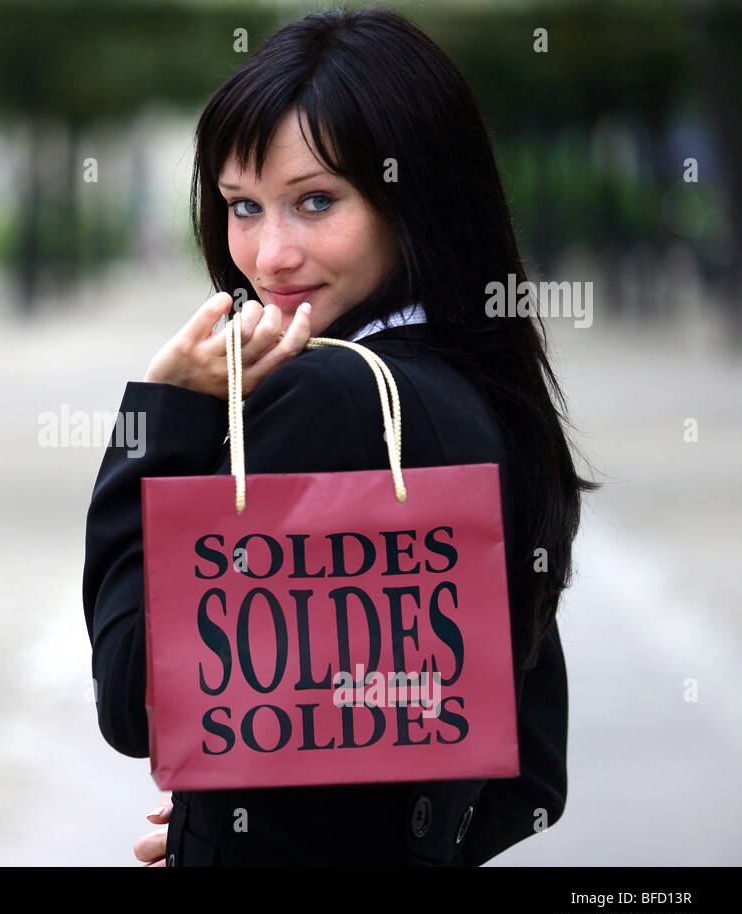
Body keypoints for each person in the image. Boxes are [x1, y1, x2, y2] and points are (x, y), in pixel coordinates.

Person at [82, 6, 599, 866]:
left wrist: (158, 416)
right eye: (242, 206)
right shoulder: (485, 389)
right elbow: (528, 782)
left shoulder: (329, 401)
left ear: (416, 197)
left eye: (316, 202)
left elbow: (136, 702)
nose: (270, 254)